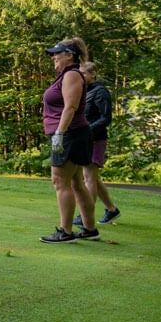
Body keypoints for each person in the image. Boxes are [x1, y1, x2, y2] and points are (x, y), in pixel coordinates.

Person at [39, 37, 100, 243]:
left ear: (69, 55)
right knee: (76, 182)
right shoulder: (66, 75)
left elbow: (70, 107)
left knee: (60, 181)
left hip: (70, 134)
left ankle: (65, 232)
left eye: (57, 53)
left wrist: (60, 133)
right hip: (74, 133)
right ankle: (90, 229)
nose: (53, 57)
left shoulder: (71, 75)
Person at [76, 61, 120, 225]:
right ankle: (111, 210)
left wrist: (88, 130)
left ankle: (86, 215)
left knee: (89, 176)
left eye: (84, 74)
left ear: (93, 74)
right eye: (80, 74)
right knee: (92, 177)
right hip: (83, 138)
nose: (81, 77)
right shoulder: (83, 91)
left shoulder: (101, 92)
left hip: (96, 138)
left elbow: (105, 118)